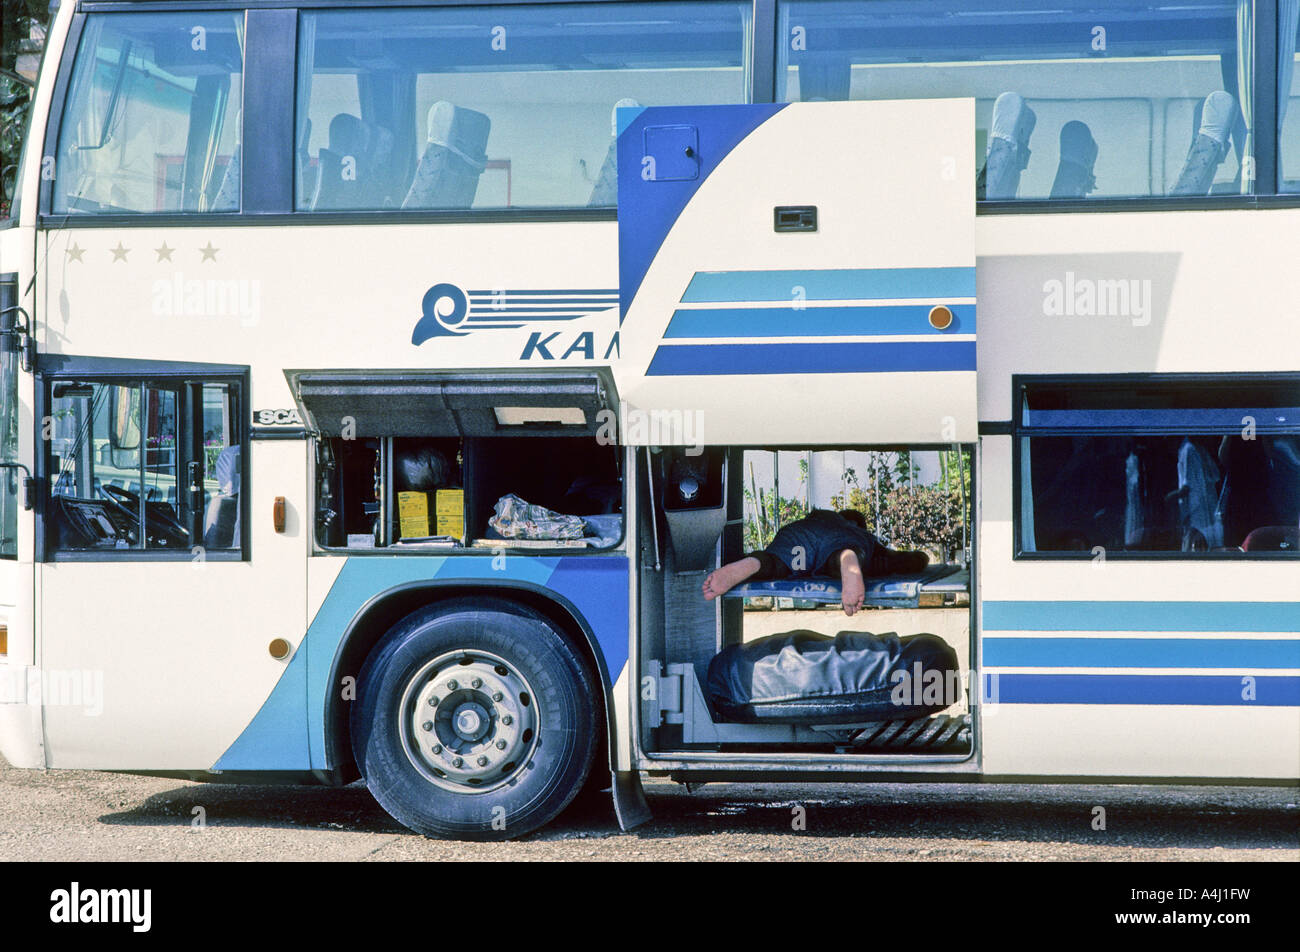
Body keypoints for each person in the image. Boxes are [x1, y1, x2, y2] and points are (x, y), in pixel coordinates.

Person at [702, 509, 929, 616]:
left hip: (799, 537)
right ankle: (848, 560)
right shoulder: (854, 531)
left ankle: (752, 563)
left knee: (775, 564)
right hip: (841, 541)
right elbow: (906, 560)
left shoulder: (815, 520)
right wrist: (916, 559)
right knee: (841, 558)